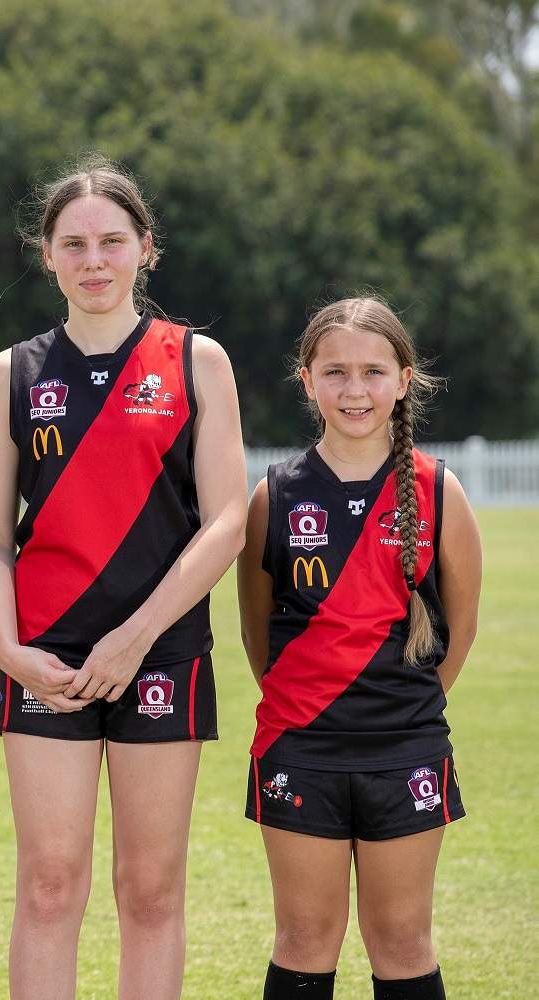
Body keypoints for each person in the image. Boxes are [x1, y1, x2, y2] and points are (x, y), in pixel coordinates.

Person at [0, 157, 246, 1000]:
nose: (95, 260)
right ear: (46, 254)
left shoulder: (197, 362)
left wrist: (137, 637)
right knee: (51, 885)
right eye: (75, 243)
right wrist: (10, 650)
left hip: (162, 655)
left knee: (150, 891)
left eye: (112, 242)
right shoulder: (9, 373)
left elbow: (226, 521)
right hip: (45, 659)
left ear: (146, 251)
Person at [237, 297, 481, 1000]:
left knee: (403, 941)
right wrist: (309, 704)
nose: (354, 389)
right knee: (304, 940)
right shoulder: (274, 497)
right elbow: (260, 635)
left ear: (404, 380)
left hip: (405, 748)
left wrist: (402, 711)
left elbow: (456, 634)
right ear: (307, 380)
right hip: (298, 748)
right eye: (335, 371)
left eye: (373, 372)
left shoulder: (439, 492)